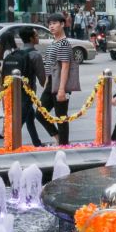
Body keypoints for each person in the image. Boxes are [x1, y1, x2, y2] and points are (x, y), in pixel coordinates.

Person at [39, 14, 79, 145]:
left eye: (55, 23)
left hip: (60, 84)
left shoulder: (63, 44)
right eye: (50, 23)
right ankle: (57, 137)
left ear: (62, 24)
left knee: (61, 116)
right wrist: (46, 83)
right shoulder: (53, 43)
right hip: (51, 82)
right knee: (40, 113)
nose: (51, 26)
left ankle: (64, 144)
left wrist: (62, 89)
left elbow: (65, 67)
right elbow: (50, 66)